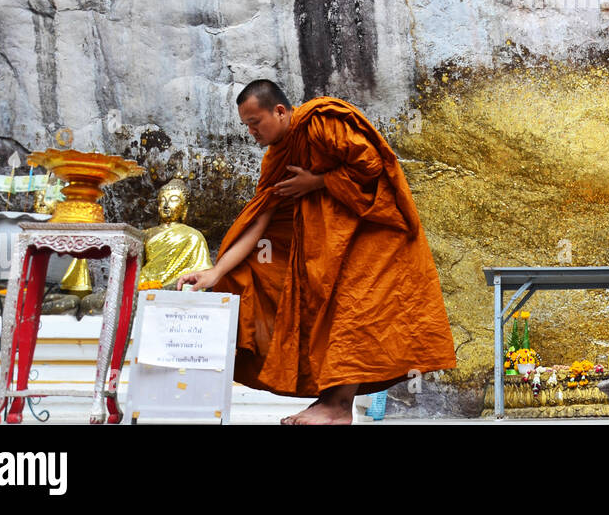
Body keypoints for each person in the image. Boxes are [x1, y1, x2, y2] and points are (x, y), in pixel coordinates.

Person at [177, 80, 456, 424]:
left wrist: (319, 182)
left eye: (255, 121)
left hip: (371, 236)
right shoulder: (277, 157)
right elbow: (259, 218)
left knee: (350, 313)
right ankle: (332, 404)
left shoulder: (321, 121)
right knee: (309, 307)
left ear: (279, 111)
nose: (251, 131)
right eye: (245, 125)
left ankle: (337, 407)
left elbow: (371, 166)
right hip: (325, 249)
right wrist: (216, 272)